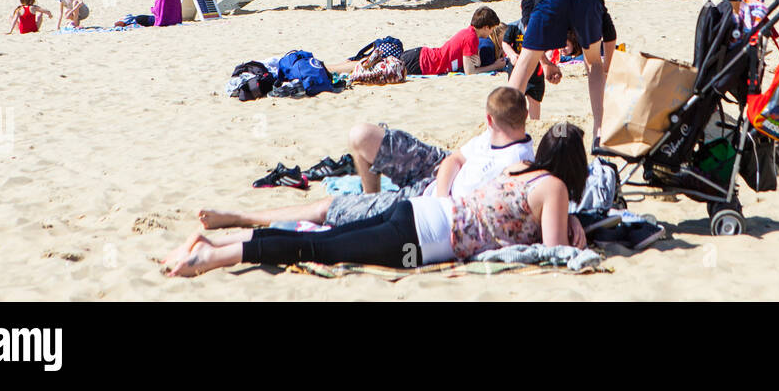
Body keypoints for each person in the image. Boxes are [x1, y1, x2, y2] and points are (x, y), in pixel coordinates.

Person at [162, 122, 589, 277]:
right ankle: (213, 257)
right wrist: (578, 234)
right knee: (319, 247)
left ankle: (214, 244)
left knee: (330, 234)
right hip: (423, 238)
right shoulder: (554, 187)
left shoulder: (520, 168)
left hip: (420, 212)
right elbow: (550, 253)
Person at [194, 88, 534, 230]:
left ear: (489, 119)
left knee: (330, 208)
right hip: (435, 173)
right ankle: (373, 199)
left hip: (426, 203)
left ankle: (239, 217)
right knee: (361, 136)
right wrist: (443, 188)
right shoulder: (490, 138)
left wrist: (440, 200)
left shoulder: (521, 162)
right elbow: (454, 159)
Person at [508, 0, 611, 134]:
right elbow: (608, 32)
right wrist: (605, 67)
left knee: (525, 63)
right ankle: (600, 131)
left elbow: (530, 32)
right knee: (594, 63)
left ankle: (502, 125)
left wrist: (545, 62)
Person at [334, 7, 504, 80]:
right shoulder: (472, 37)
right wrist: (494, 65)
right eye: (491, 30)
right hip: (422, 63)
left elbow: (470, 65)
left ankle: (334, 67)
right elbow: (470, 73)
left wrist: (480, 63)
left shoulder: (468, 32)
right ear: (486, 26)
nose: (491, 33)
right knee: (372, 67)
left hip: (421, 56)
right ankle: (332, 68)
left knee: (374, 64)